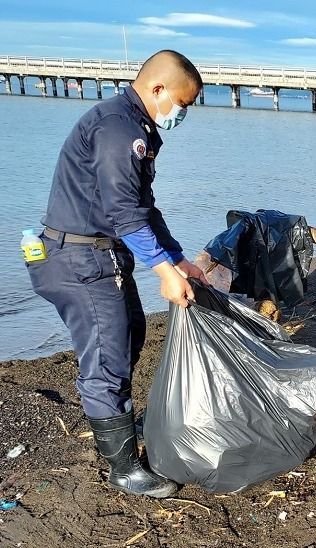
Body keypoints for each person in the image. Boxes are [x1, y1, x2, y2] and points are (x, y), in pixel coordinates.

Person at [27, 50, 207, 498]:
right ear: (157, 89)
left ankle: (119, 422)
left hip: (103, 256)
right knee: (107, 357)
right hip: (78, 260)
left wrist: (178, 258)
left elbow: (144, 208)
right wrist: (164, 271)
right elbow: (125, 213)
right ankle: (123, 468)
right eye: (182, 104)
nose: (181, 114)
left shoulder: (137, 127)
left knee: (129, 333)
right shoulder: (117, 129)